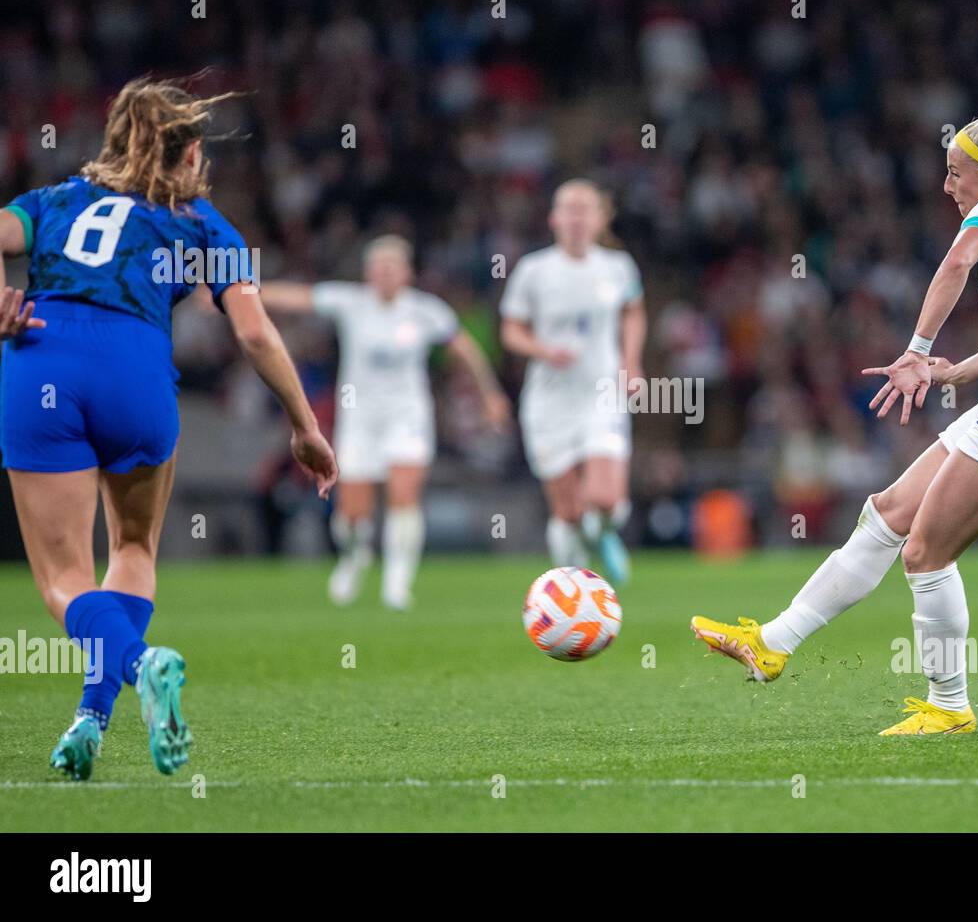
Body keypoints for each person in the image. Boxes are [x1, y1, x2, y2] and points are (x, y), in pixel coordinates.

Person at [691, 93, 978, 735]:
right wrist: (959, 370)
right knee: (889, 512)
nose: (948, 185)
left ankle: (949, 706)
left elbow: (955, 263)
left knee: (925, 551)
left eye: (955, 172)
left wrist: (917, 352)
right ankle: (774, 641)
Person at [0, 77, 337, 781]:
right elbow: (254, 332)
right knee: (132, 545)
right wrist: (304, 427)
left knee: (65, 576)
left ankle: (135, 667)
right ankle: (93, 717)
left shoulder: (56, 200)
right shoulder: (201, 221)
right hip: (136, 369)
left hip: (43, 357)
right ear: (188, 156)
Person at [257, 235, 511, 609]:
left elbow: (465, 350)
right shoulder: (350, 302)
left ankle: (398, 582)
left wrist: (490, 394)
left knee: (403, 497)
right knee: (352, 513)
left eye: (392, 266)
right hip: (360, 419)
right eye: (378, 266)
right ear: (368, 271)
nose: (384, 273)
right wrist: (237, 294)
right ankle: (355, 556)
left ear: (407, 272)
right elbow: (297, 296)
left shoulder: (426, 310)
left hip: (408, 417)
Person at [500, 180, 646, 584]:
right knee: (568, 512)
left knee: (604, 498)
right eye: (569, 209)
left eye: (585, 209)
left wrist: (631, 362)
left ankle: (604, 533)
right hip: (549, 403)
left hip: (601, 395)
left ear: (600, 219)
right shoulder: (534, 270)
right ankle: (574, 584)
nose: (577, 217)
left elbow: (634, 312)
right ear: (553, 218)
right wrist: (543, 350)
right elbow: (511, 331)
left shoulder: (618, 267)